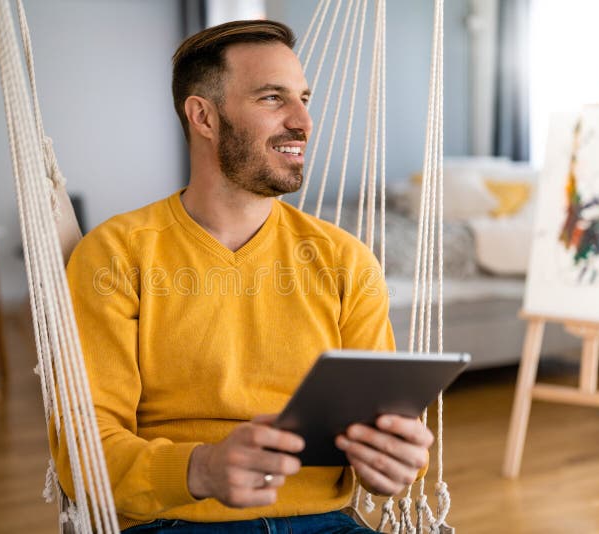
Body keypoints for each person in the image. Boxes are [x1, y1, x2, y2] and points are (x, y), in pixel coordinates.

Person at [50, 20, 433, 532]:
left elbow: (379, 429)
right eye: (274, 99)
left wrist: (393, 462)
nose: (303, 121)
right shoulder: (116, 255)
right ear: (203, 116)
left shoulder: (346, 260)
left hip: (325, 521)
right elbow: (82, 450)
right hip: (178, 520)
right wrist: (201, 469)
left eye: (303, 98)